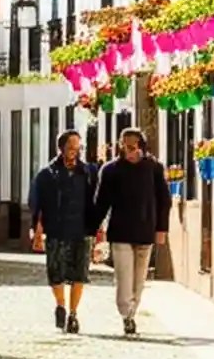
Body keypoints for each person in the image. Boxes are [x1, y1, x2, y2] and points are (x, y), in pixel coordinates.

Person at [91, 127, 171, 336]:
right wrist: (93, 229)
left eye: (133, 146)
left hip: (146, 230)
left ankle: (132, 312)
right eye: (125, 146)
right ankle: (126, 313)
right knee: (124, 276)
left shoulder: (153, 168)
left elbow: (164, 200)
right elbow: (101, 203)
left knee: (139, 278)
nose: (129, 150)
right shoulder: (111, 170)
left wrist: (161, 229)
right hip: (120, 232)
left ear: (142, 147)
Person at [28, 130, 98, 334]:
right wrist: (37, 231)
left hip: (81, 229)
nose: (74, 152)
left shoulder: (87, 173)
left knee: (80, 274)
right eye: (70, 147)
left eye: (77, 148)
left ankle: (73, 314)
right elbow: (36, 204)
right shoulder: (47, 174)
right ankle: (61, 305)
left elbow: (95, 202)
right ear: (61, 148)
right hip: (56, 229)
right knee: (55, 272)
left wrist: (96, 228)